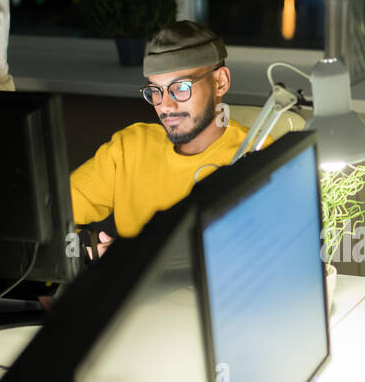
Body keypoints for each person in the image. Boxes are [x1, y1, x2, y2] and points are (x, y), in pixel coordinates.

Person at [70, 21, 265, 255]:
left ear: (220, 81)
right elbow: (50, 216)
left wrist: (135, 260)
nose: (165, 105)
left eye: (181, 88)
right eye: (155, 90)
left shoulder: (257, 158)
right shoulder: (129, 147)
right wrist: (88, 247)